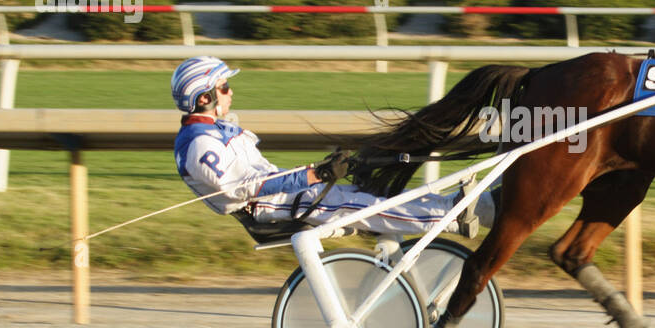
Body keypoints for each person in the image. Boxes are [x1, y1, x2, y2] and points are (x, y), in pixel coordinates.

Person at [171, 56, 494, 238]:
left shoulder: (216, 131)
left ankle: (449, 203)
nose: (230, 92)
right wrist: (313, 176)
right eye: (224, 87)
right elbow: (245, 189)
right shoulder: (200, 144)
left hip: (283, 194)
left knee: (370, 187)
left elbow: (261, 175)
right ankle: (450, 218)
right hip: (270, 207)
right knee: (362, 206)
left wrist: (320, 172)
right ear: (204, 98)